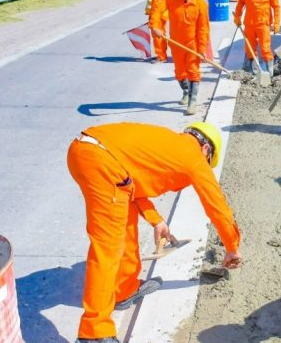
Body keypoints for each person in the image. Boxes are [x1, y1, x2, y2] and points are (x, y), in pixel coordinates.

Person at [68, 122, 242, 343]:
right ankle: (94, 332)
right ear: (207, 149)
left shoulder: (170, 144)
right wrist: (232, 247)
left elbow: (132, 183)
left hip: (90, 153)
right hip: (101, 161)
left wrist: (156, 220)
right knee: (108, 246)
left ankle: (124, 289)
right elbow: (218, 208)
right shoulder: (194, 157)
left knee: (125, 228)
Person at [151, 0, 210, 116]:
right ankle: (185, 91)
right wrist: (155, 26)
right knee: (179, 72)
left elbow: (204, 29)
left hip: (193, 45)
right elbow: (157, 11)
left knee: (193, 71)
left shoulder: (201, 4)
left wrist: (202, 49)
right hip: (175, 43)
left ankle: (192, 101)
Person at [234, 0, 281, 76]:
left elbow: (276, 6)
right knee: (250, 49)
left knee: (265, 49)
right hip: (249, 24)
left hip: (263, 24)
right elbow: (241, 3)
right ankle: (255, 73)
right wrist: (237, 17)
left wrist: (276, 23)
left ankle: (269, 74)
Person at [145, 0, 171, 64]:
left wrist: (153, 21)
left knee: (157, 36)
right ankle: (162, 55)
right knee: (162, 35)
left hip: (158, 15)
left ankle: (161, 57)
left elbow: (155, 5)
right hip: (164, 13)